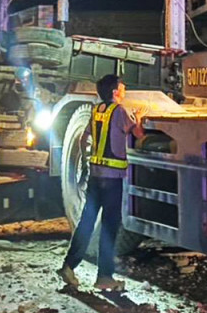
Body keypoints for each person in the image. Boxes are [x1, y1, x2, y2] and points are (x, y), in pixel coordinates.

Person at [58, 74, 143, 293]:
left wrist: (90, 161)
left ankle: (69, 266)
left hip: (96, 176)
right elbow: (138, 135)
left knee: (87, 221)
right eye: (122, 87)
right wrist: (139, 119)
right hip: (112, 179)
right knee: (109, 227)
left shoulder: (96, 111)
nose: (124, 89)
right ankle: (104, 277)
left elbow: (82, 138)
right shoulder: (120, 112)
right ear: (115, 92)